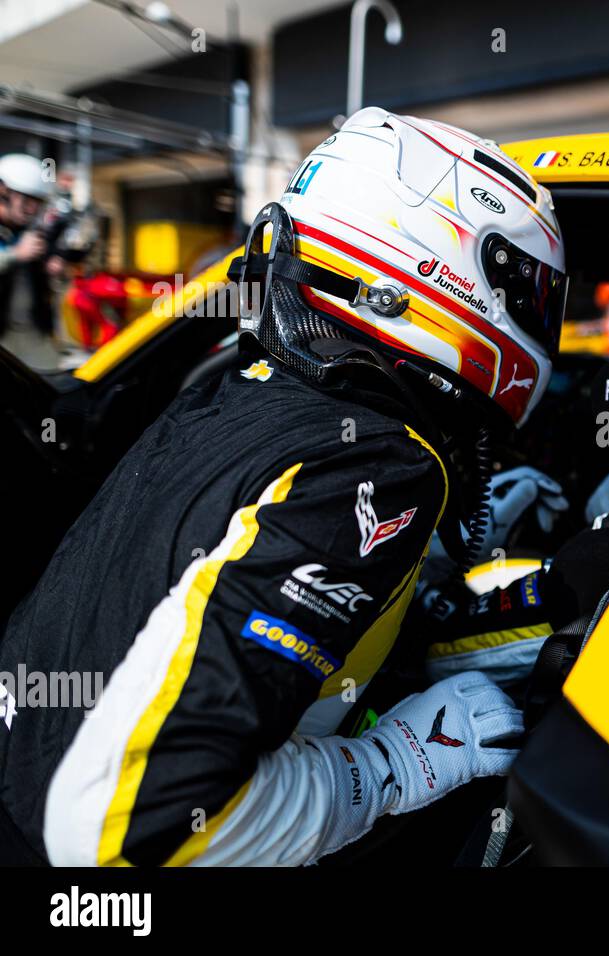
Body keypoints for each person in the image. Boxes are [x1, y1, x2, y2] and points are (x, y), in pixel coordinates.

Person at [0, 108, 568, 866]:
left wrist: (461, 535)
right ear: (439, 268)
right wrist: (396, 766)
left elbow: (223, 568)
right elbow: (124, 827)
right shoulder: (374, 465)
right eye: (524, 285)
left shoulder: (240, 391)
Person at [0, 153, 57, 345]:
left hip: (25, 341)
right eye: (28, 200)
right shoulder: (18, 241)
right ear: (3, 192)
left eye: (38, 202)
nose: (33, 209)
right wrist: (15, 255)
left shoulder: (24, 232)